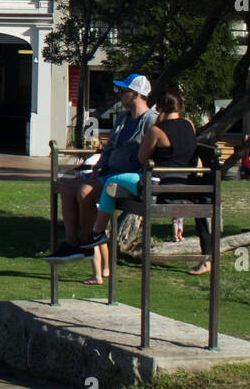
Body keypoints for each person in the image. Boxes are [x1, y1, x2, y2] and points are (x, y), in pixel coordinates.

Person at [82, 89, 196, 284]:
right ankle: (99, 234)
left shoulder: (157, 130)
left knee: (111, 182)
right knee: (113, 184)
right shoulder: (190, 125)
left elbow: (142, 158)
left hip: (158, 185)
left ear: (158, 108)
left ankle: (98, 231)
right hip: (185, 184)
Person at [50, 74, 158, 262]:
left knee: (85, 192)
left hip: (128, 176)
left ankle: (85, 243)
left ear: (135, 94)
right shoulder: (123, 118)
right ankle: (71, 243)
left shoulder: (151, 120)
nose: (120, 96)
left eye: (123, 92)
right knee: (67, 187)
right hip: (108, 171)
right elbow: (109, 147)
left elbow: (153, 152)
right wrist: (98, 166)